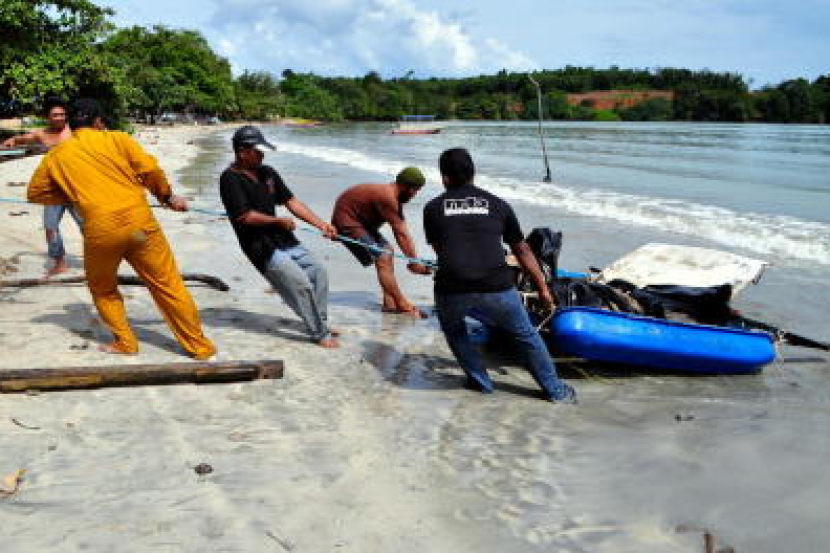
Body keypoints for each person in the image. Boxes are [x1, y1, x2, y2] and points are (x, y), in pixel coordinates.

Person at [27, 98, 216, 359]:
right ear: (98, 122)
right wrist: (167, 197)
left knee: (103, 288)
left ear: (71, 123)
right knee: (168, 284)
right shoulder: (118, 139)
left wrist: (76, 194)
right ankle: (200, 347)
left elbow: (35, 192)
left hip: (102, 234)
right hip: (139, 230)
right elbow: (150, 170)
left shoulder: (57, 155)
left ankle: (126, 343)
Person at [423, 148, 576, 402]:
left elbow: (441, 250)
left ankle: (481, 382)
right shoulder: (498, 204)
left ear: (444, 177)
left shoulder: (432, 208)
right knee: (526, 335)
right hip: (496, 286)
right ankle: (556, 392)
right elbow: (522, 250)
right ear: (473, 173)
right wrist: (543, 288)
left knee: (455, 331)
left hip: (453, 288)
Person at [219, 125, 340, 348]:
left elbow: (291, 202)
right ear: (242, 152)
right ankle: (319, 333)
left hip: (284, 239)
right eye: (257, 151)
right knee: (300, 283)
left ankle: (319, 322)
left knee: (318, 272)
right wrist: (277, 221)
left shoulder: (268, 173)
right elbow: (245, 217)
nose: (262, 155)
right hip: (259, 247)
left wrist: (322, 224)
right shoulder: (229, 179)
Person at [331, 168, 432, 318]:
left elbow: (400, 231)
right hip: (348, 221)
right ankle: (402, 304)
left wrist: (413, 261)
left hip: (362, 223)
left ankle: (389, 303)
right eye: (415, 190)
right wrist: (414, 263)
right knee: (383, 257)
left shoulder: (391, 195)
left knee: (388, 251)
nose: (415, 195)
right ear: (405, 186)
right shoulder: (388, 197)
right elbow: (401, 234)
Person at [2, 98, 81, 276]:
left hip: (75, 187)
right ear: (48, 117)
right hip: (53, 189)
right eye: (55, 115)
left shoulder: (75, 132)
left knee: (88, 226)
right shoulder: (42, 135)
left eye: (62, 114)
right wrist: (11, 140)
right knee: (50, 227)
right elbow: (22, 138)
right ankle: (60, 262)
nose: (60, 118)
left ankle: (99, 258)